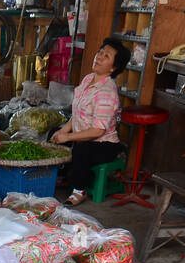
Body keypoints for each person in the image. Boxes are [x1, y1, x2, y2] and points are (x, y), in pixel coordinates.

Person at [50, 38, 128, 206]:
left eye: (106, 56)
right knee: (53, 133)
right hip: (83, 136)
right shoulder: (88, 79)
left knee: (82, 149)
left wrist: (69, 138)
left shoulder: (107, 91)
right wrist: (64, 131)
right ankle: (65, 177)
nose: (99, 57)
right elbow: (77, 113)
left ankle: (79, 190)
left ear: (113, 68)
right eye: (100, 52)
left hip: (103, 144)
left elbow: (98, 131)